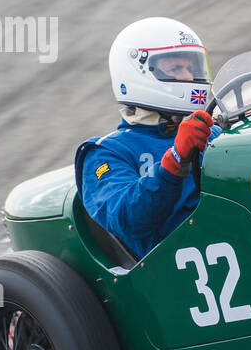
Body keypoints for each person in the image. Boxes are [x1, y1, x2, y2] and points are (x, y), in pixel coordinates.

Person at [73, 17, 220, 260]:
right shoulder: (106, 154)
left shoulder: (211, 131)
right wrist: (175, 160)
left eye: (190, 69)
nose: (187, 77)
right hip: (175, 265)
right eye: (175, 69)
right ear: (137, 74)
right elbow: (128, 220)